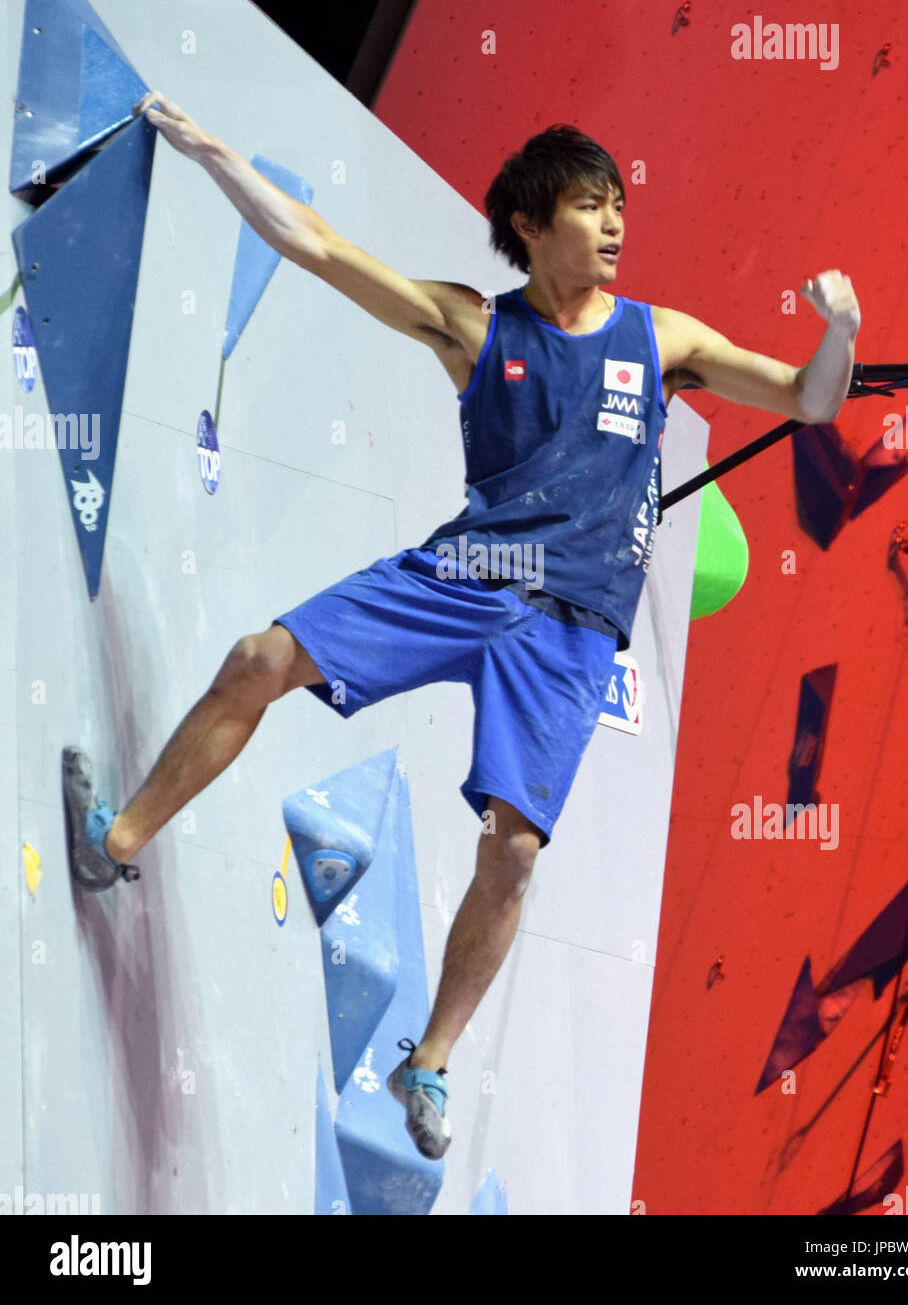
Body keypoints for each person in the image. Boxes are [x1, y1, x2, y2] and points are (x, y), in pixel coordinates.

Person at [64, 94, 860, 1160]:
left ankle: (426, 1060)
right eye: (589, 206)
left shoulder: (660, 338)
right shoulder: (477, 326)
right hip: (472, 568)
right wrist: (214, 153)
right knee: (260, 659)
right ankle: (117, 842)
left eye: (618, 204)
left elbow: (809, 401)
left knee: (513, 851)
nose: (615, 224)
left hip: (572, 630)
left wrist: (839, 333)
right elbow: (321, 248)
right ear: (530, 225)